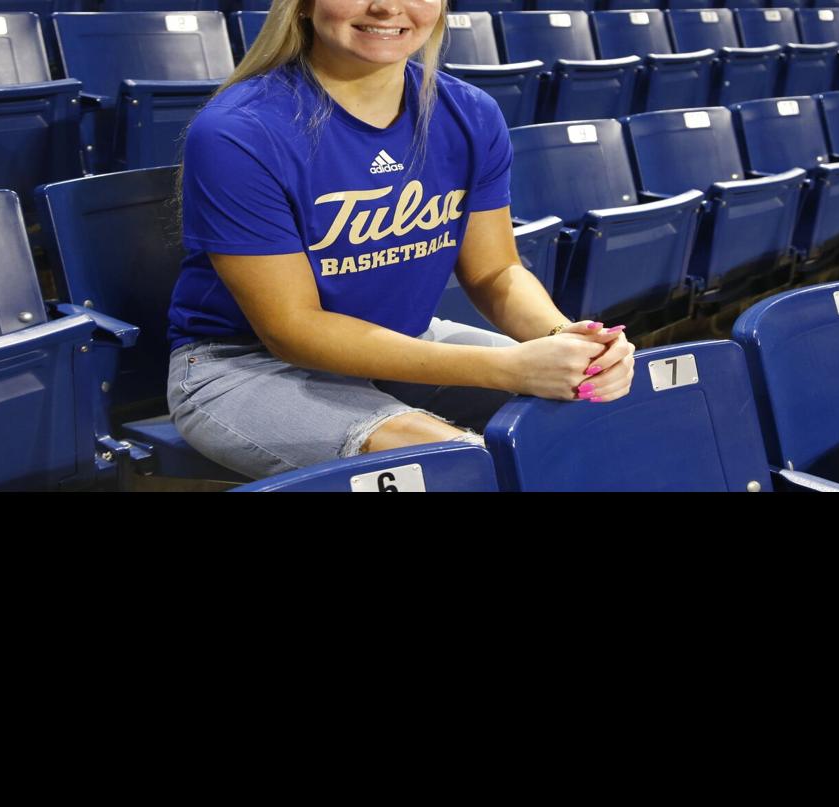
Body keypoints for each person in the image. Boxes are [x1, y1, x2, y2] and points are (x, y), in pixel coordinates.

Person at [168, 0, 633, 480]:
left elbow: (495, 272)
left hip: (406, 339)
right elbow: (293, 329)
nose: (387, 6)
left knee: (595, 420)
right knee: (462, 468)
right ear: (303, 6)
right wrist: (509, 368)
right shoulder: (238, 130)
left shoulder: (470, 113)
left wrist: (567, 341)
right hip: (245, 367)